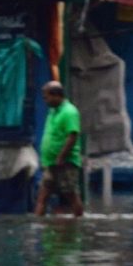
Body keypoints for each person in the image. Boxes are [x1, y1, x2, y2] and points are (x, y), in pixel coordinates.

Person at [36, 79, 85, 218]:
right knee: (43, 194)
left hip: (66, 163)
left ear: (56, 95)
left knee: (71, 194)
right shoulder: (53, 111)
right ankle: (37, 224)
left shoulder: (69, 112)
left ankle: (78, 221)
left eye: (47, 97)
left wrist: (61, 156)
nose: (45, 100)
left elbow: (73, 135)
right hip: (50, 163)